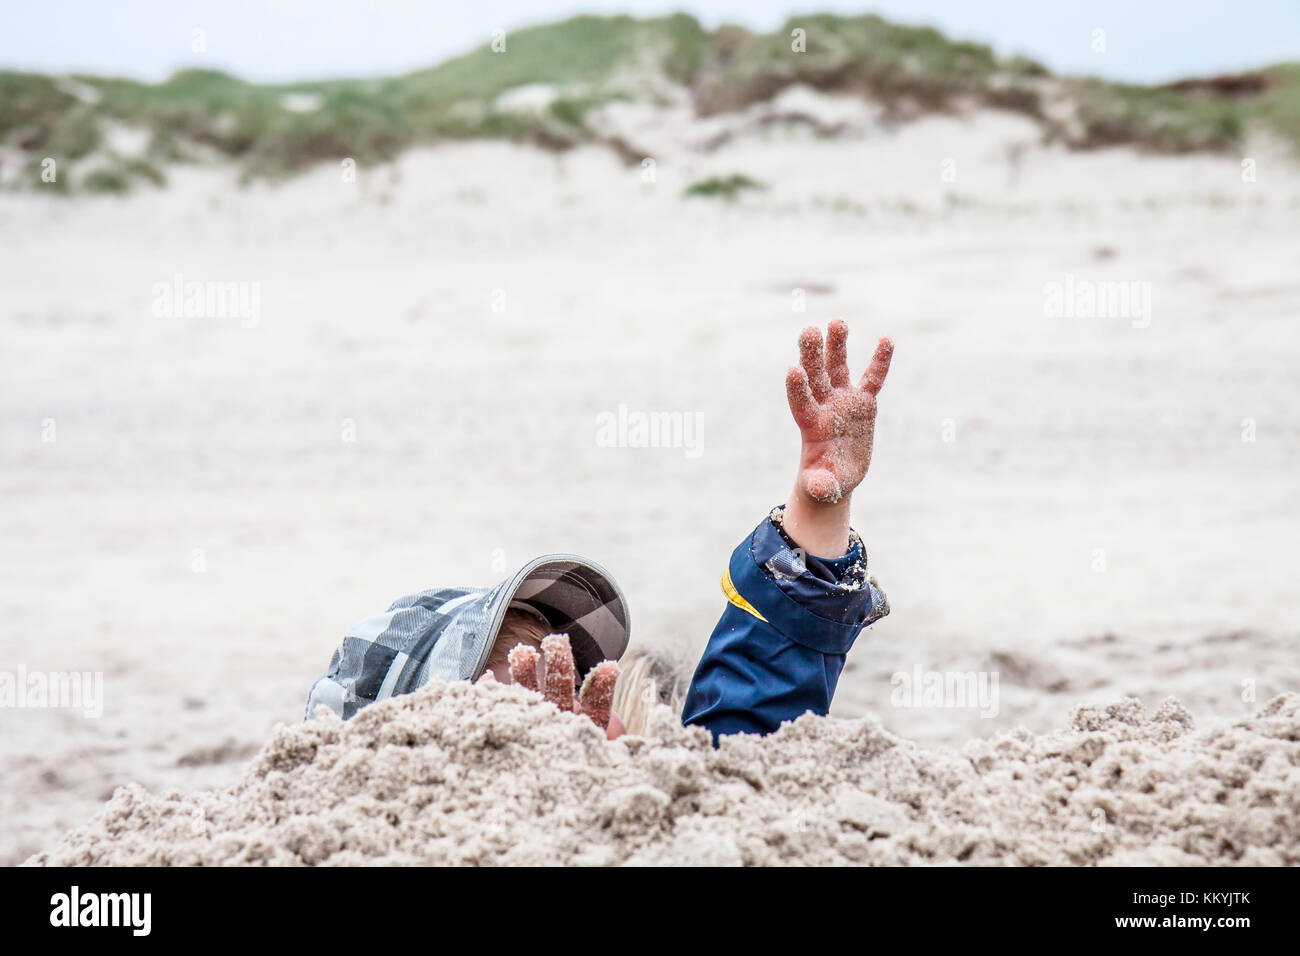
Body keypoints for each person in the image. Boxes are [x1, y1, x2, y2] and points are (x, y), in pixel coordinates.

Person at [305, 320, 892, 744]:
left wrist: (817, 510)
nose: (567, 720)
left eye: (576, 686)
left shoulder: (664, 811)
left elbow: (750, 712)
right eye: (510, 723)